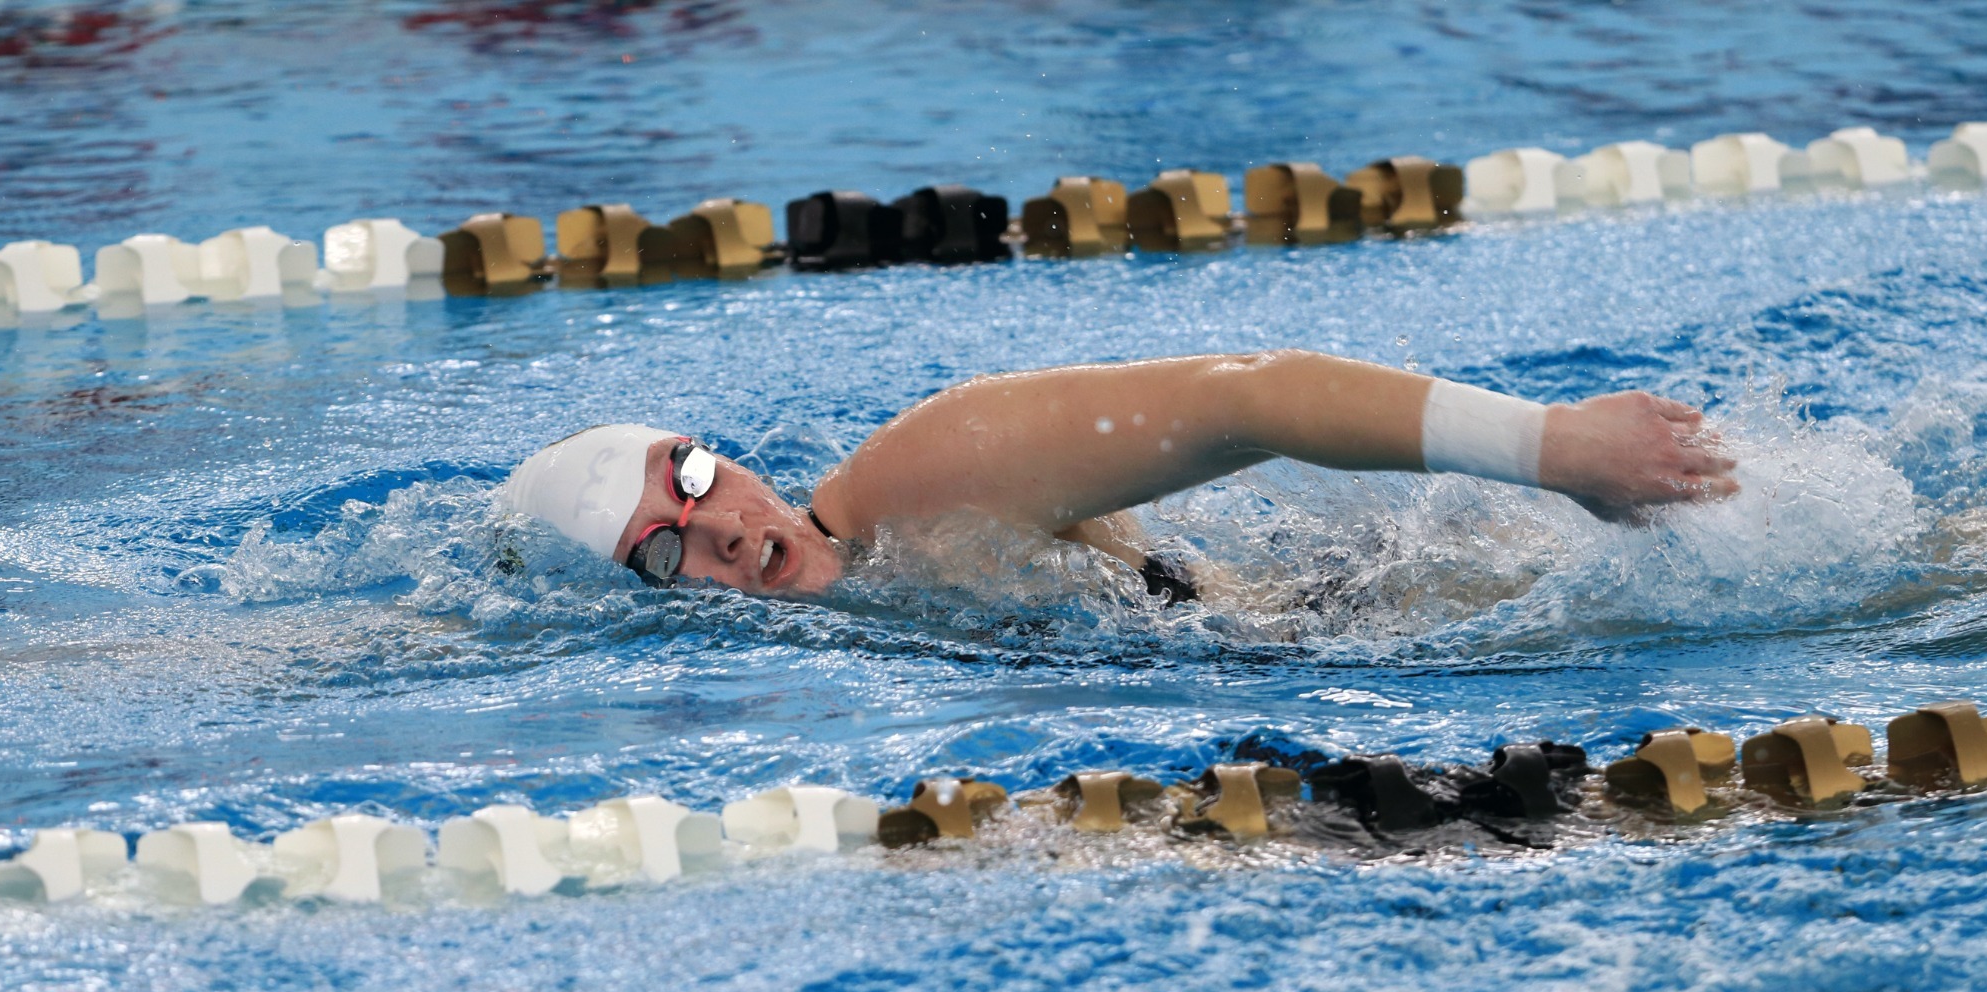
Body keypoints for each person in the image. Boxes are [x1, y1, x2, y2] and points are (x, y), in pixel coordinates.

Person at [501, 349, 1739, 601]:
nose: (714, 529)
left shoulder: (923, 478)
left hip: (1349, 610)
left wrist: (1552, 447)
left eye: (694, 477)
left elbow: (1242, 398)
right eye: (659, 551)